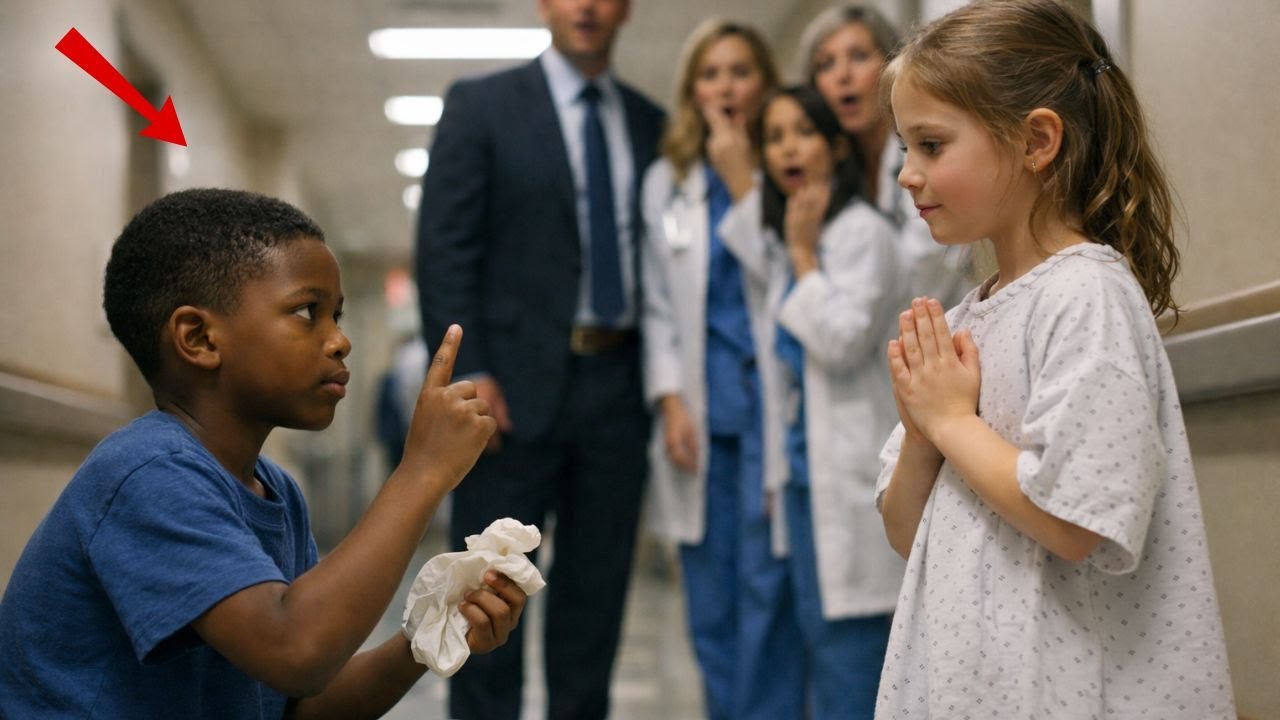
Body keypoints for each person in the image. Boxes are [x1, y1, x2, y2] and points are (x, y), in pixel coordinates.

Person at [0, 188, 526, 719]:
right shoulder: (149, 473)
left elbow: (301, 703)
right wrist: (422, 471)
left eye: (337, 316)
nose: (339, 341)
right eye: (307, 312)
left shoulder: (275, 492)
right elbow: (294, 652)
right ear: (199, 338)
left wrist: (429, 634)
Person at [876, 1, 1236, 717]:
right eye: (904, 149)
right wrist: (922, 433)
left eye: (932, 146)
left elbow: (1078, 520)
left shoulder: (1086, 294)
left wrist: (950, 422)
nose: (907, 175)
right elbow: (907, 532)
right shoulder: (967, 318)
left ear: (1037, 139)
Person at [414, 0, 664, 717]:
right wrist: (471, 369)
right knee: (488, 599)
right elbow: (445, 247)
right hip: (508, 398)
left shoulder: (651, 125)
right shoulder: (483, 105)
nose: (585, 5)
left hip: (619, 386)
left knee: (595, 603)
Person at [717, 84, 905, 719]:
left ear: (836, 145)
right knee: (821, 652)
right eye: (773, 137)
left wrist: (802, 255)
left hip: (853, 482)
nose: (787, 148)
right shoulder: (794, 239)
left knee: (854, 660)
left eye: (803, 131)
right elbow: (782, 384)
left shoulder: (862, 234)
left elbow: (843, 341)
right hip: (802, 483)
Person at [638, 19, 805, 720]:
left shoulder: (787, 169)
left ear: (764, 83)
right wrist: (671, 398)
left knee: (769, 591)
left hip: (772, 406)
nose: (726, 87)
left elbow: (788, 279)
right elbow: (657, 306)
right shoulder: (667, 181)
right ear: (691, 90)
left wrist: (744, 183)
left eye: (740, 71)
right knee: (709, 597)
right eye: (711, 74)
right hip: (702, 414)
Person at [797, 3, 970, 308]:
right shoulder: (827, 174)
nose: (843, 76)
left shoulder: (930, 148)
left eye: (859, 57)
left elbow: (927, 272)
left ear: (894, 64)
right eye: (826, 65)